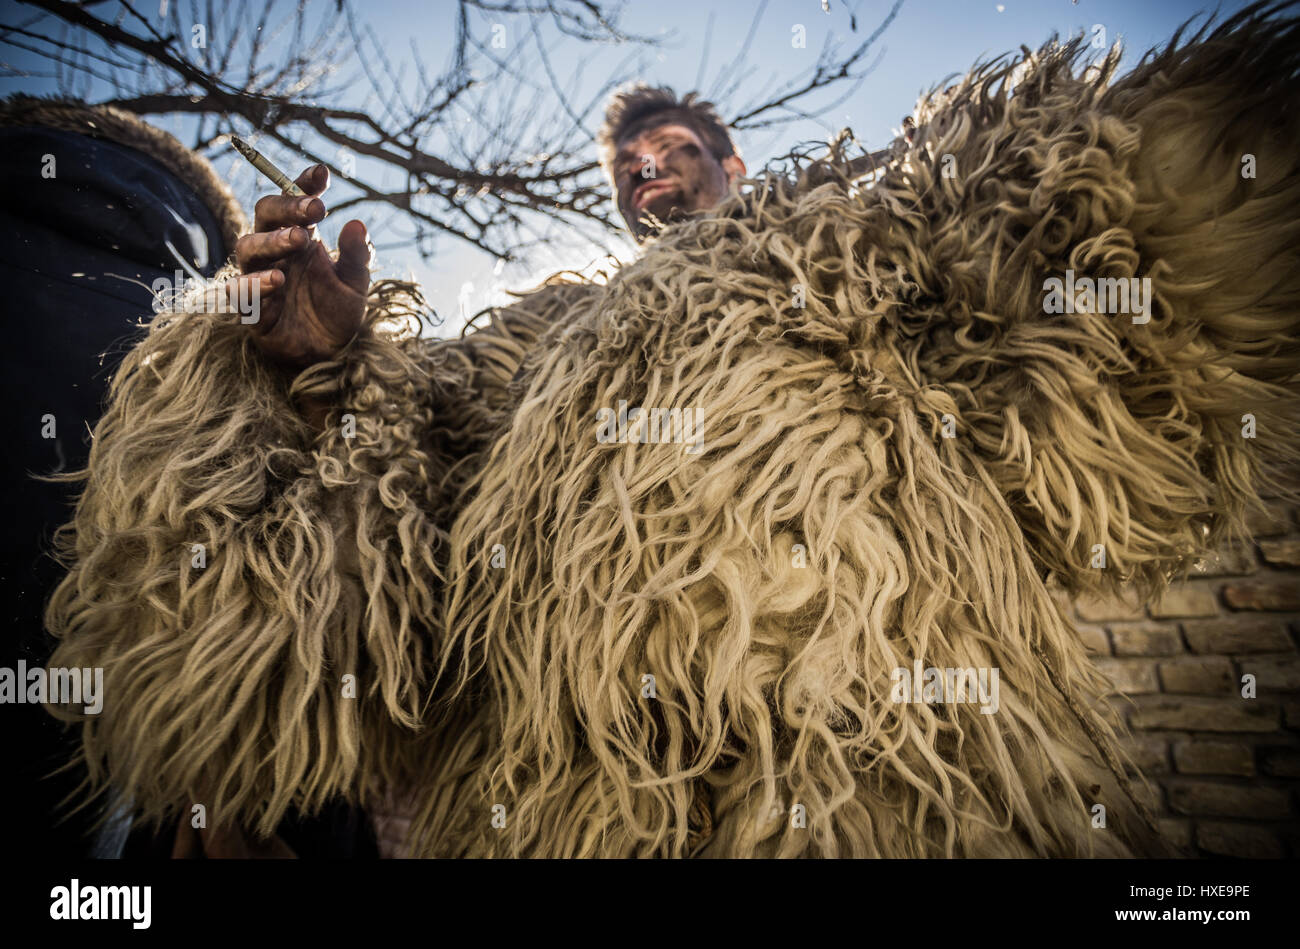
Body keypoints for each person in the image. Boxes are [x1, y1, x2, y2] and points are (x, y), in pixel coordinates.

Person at [44, 7, 1300, 858]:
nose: (652, 167)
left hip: (897, 796)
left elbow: (1108, 262)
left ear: (733, 162)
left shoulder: (868, 248)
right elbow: (308, 638)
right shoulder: (526, 351)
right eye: (631, 160)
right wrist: (306, 373)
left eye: (677, 146)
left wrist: (1201, 156)